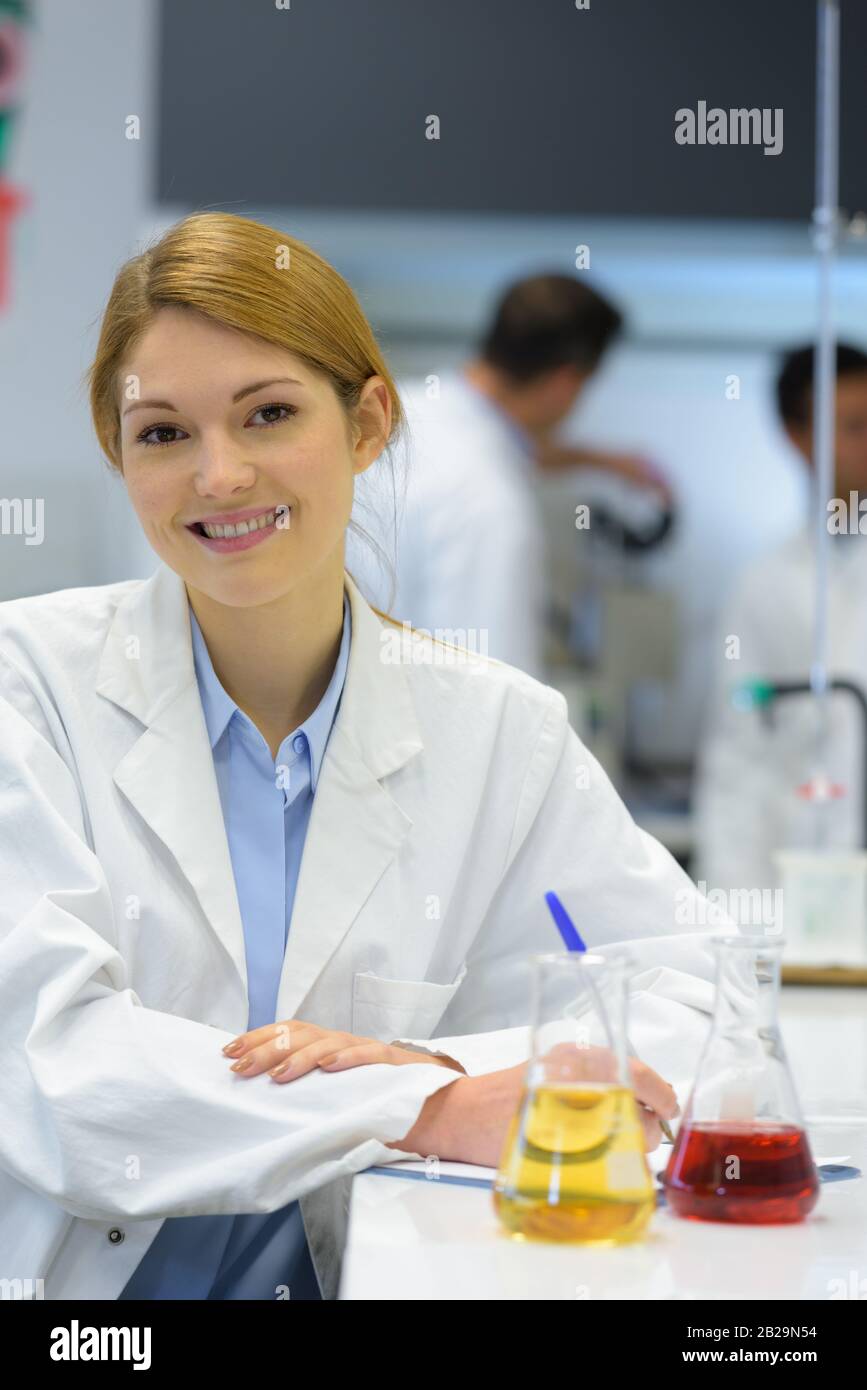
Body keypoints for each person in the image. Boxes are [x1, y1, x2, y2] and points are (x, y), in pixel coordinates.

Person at [0, 212, 718, 1303]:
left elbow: (701, 1002)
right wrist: (419, 1107)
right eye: (162, 433)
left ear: (369, 419)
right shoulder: (28, 689)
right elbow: (51, 1073)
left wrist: (434, 1067)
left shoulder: (497, 732)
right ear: (119, 453)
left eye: (269, 413)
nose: (221, 474)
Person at [348, 273, 670, 679]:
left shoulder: (393, 414)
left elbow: (508, 446)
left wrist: (597, 460)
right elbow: (493, 698)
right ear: (565, 382)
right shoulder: (490, 503)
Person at [693, 342, 867, 895]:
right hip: (816, 893)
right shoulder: (763, 585)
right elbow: (738, 762)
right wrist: (735, 917)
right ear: (798, 436)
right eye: (855, 426)